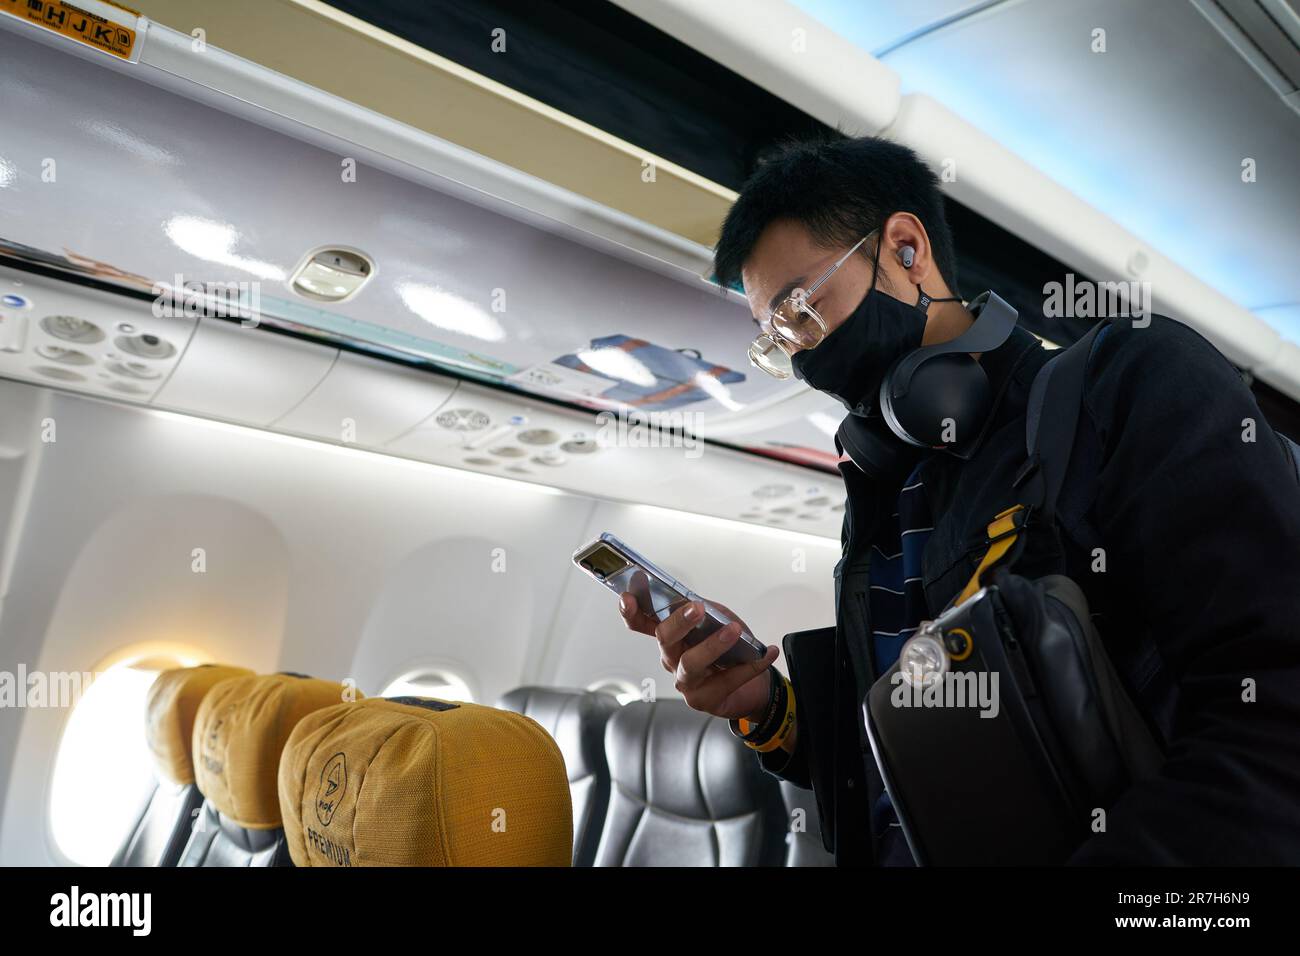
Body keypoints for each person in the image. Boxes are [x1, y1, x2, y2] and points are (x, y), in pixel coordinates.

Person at [617, 134, 1300, 865]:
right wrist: (766, 710)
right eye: (778, 340)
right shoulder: (879, 495)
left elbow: (1273, 717)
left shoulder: (1125, 386)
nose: (806, 356)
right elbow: (913, 758)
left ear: (906, 248)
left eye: (804, 310)